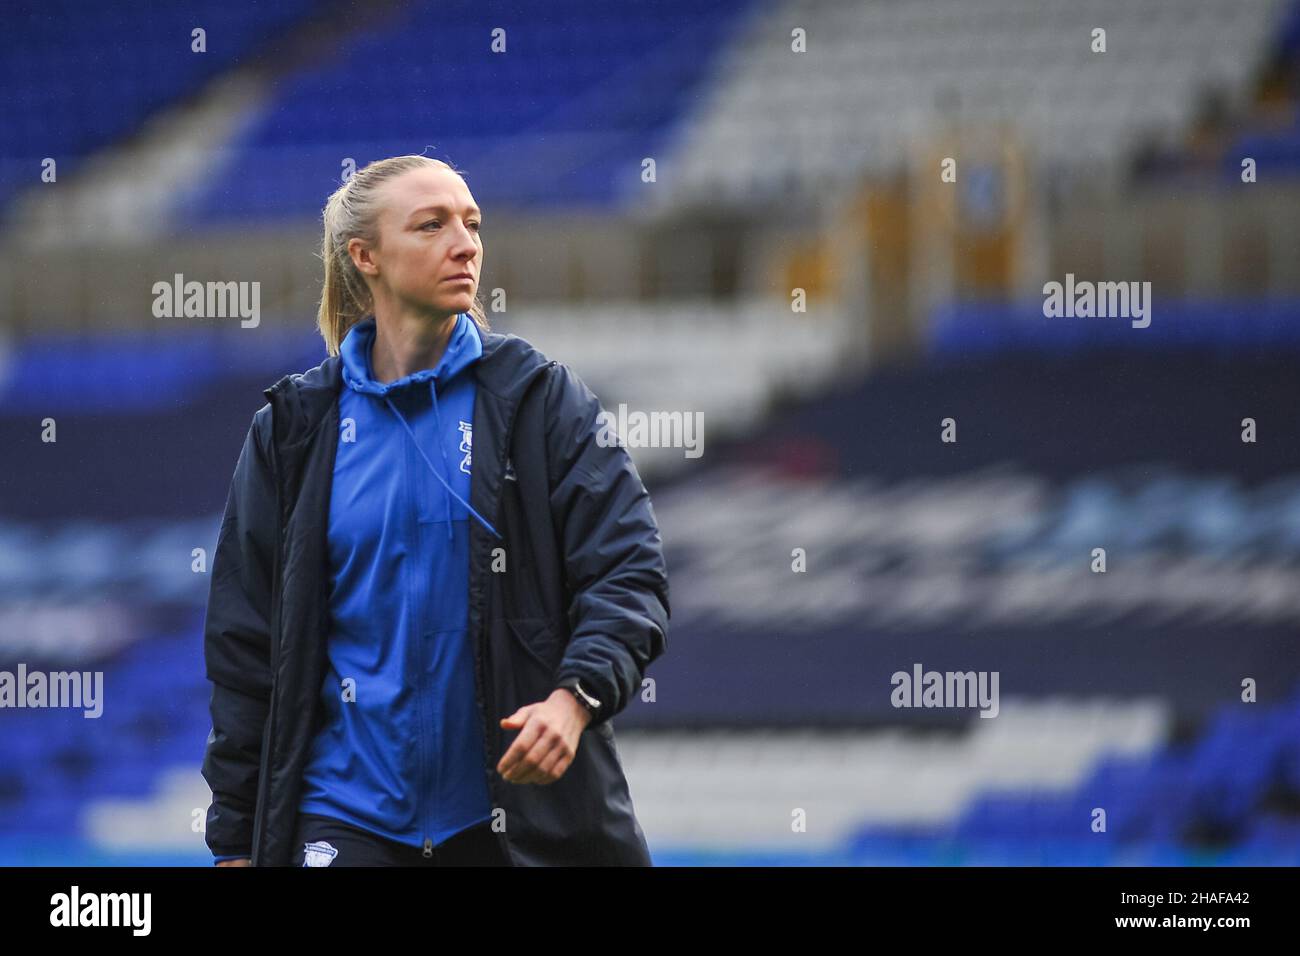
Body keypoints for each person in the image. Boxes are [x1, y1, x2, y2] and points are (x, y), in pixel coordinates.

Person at [200, 155, 670, 866]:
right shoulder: (294, 429)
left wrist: (573, 700)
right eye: (432, 225)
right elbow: (245, 645)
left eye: (472, 224)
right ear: (367, 257)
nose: (466, 242)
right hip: (342, 815)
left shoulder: (541, 403)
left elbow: (629, 574)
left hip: (511, 820)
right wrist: (236, 838)